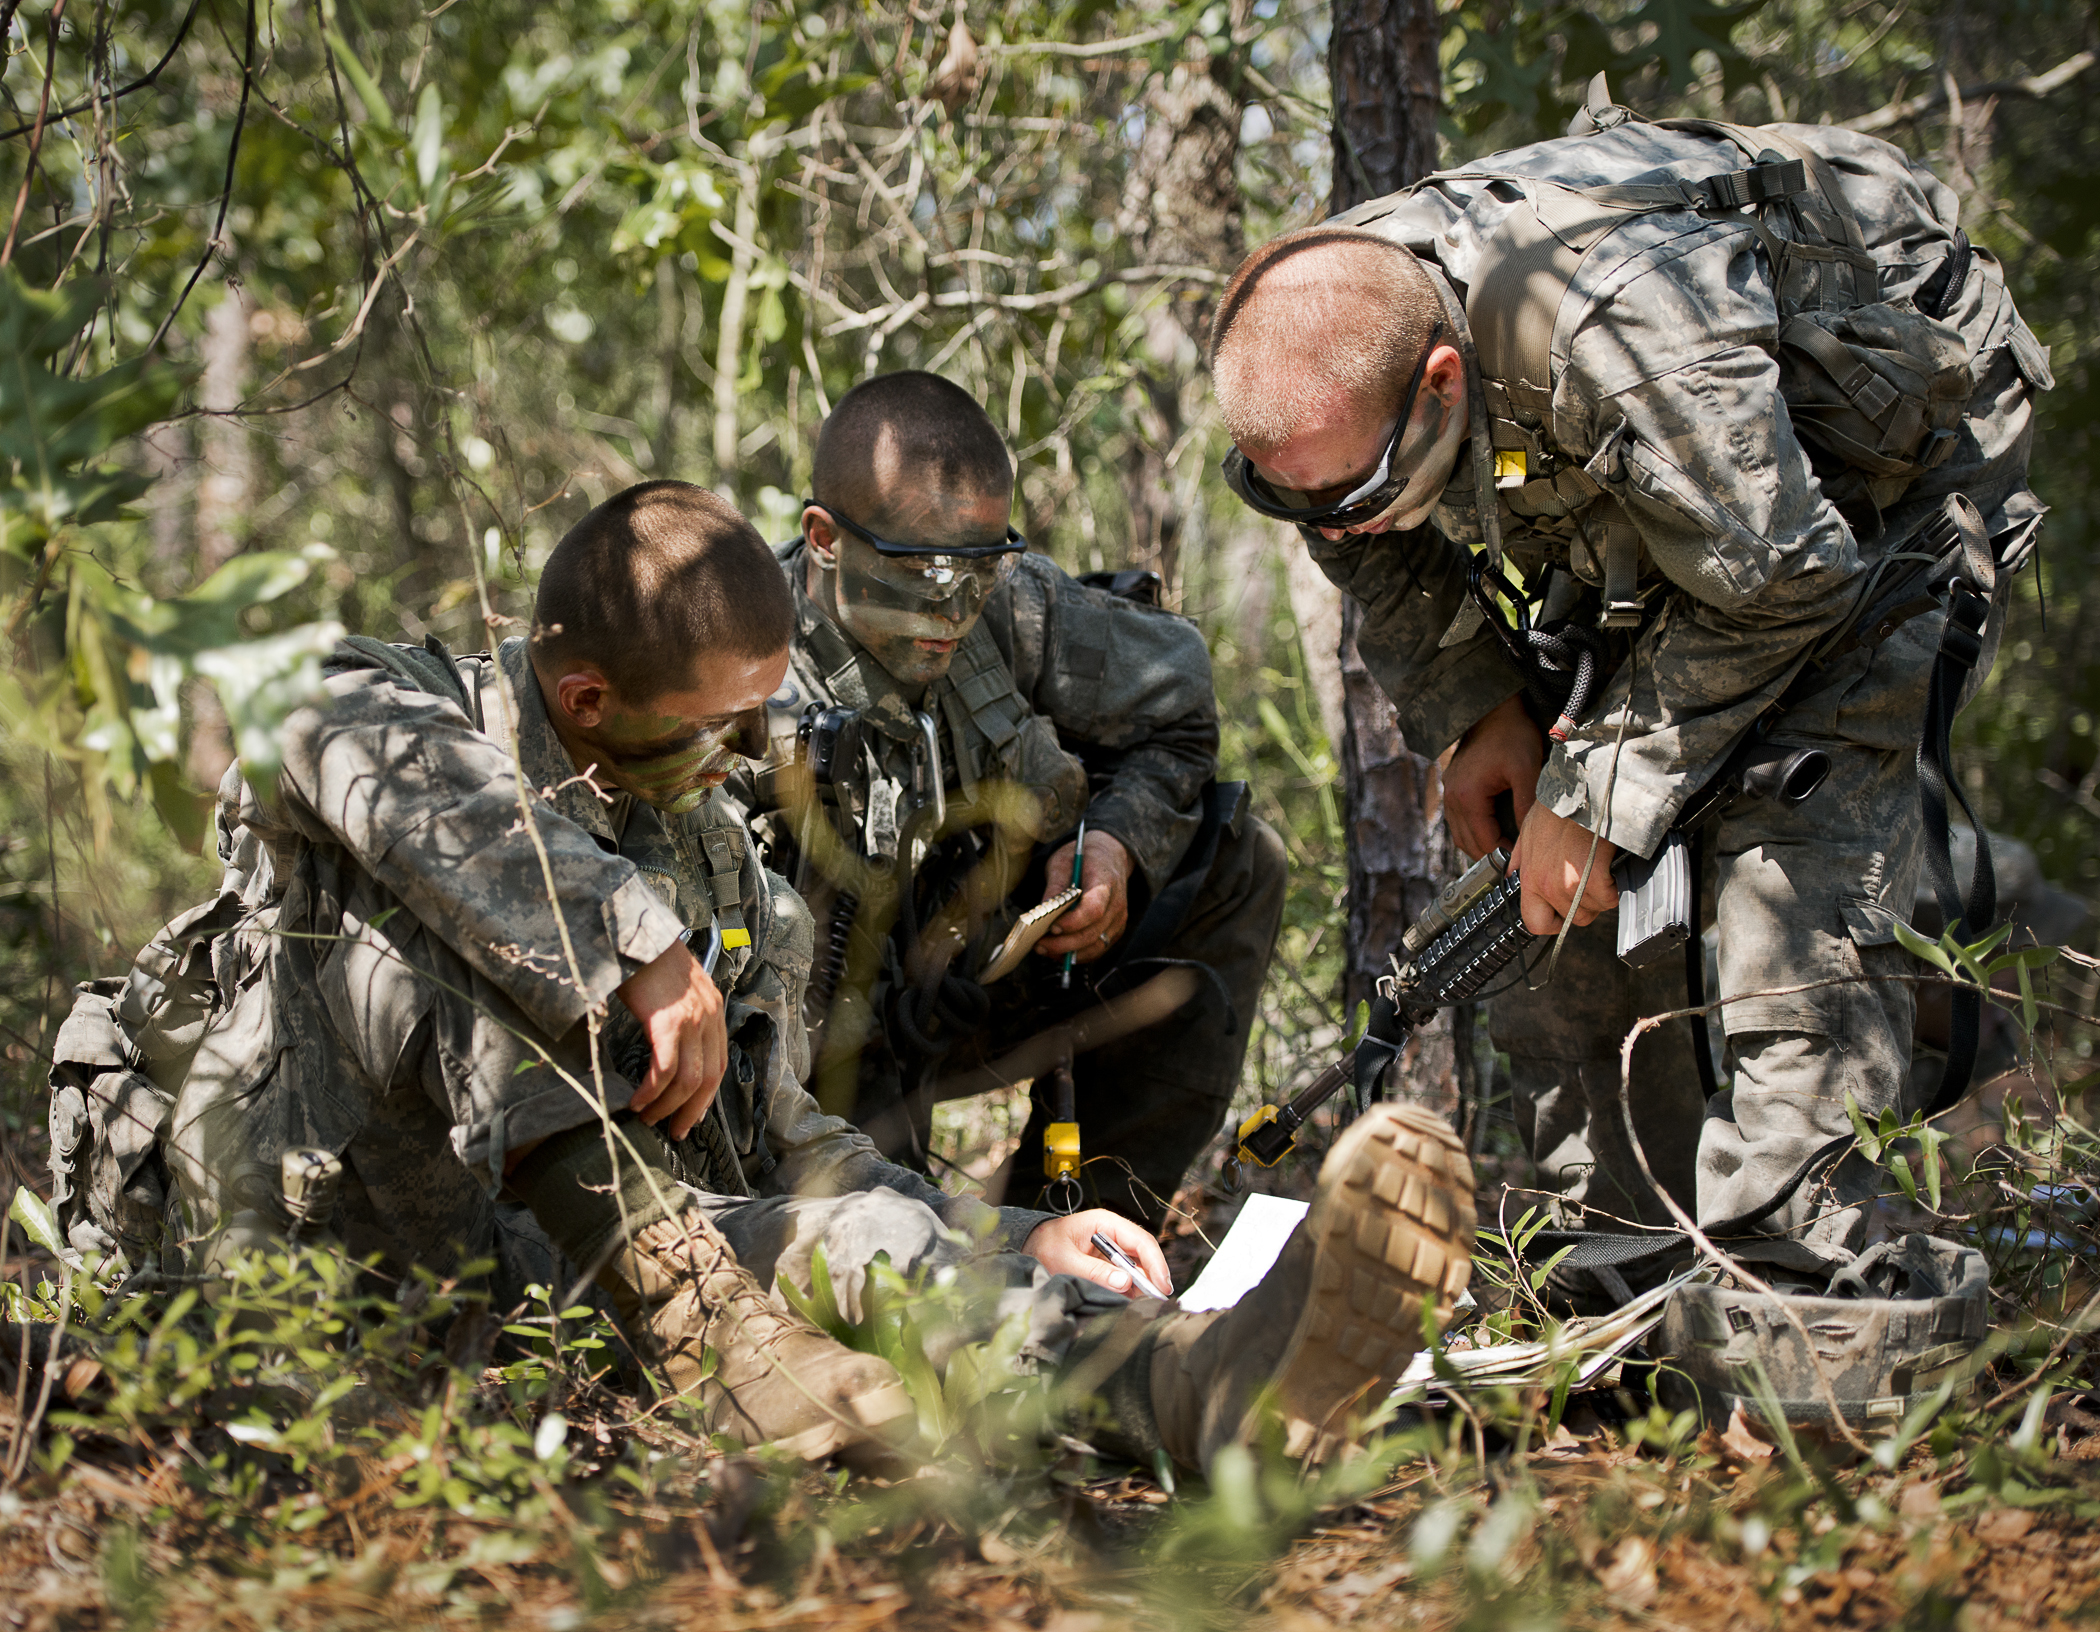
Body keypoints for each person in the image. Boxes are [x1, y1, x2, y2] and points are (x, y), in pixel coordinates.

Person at [46, 479, 1469, 1472]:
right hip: (294, 1258)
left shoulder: (713, 853)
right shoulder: (409, 708)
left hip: (560, 1277)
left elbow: (791, 1143)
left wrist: (1003, 1241)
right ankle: (703, 1328)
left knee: (838, 1222)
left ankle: (1182, 1381)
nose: (747, 763)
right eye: (715, 731)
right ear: (587, 698)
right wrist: (627, 940)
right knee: (441, 910)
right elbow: (318, 728)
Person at [1207, 91, 2047, 1265]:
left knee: (1784, 841)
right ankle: (1615, 1252)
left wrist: (1601, 792)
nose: (1330, 531)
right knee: (1549, 882)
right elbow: (1371, 544)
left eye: (1350, 499)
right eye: (1285, 496)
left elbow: (1790, 578)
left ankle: (1799, 1278)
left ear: (1444, 384)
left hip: (1864, 488)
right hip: (1673, 498)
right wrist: (1485, 714)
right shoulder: (1324, 354)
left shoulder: (1626, 340)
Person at [723, 372, 1288, 1228]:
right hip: (824, 1054)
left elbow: (1176, 709)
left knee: (1235, 860)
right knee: (898, 1278)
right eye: (921, 571)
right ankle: (1014, 1265)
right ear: (825, 538)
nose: (953, 607)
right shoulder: (736, 672)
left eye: (980, 566)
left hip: (993, 980)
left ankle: (1102, 1229)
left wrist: (1112, 848)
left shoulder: (1009, 606)